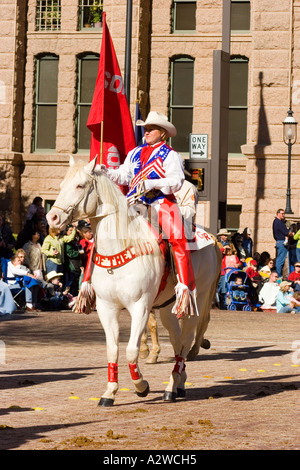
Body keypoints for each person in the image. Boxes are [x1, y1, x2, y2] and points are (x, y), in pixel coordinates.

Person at [104, 111, 197, 318]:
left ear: (162, 133)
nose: (146, 132)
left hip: (160, 202)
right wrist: (106, 171)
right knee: (103, 230)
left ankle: (184, 288)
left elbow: (177, 181)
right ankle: (90, 286)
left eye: (151, 129)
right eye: (145, 128)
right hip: (134, 201)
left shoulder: (171, 155)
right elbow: (123, 175)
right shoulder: (135, 153)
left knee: (179, 238)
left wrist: (152, 183)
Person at [272, 209, 293, 278]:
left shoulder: (277, 222)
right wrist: (292, 233)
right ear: (278, 214)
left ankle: (280, 274)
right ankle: (279, 275)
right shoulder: (278, 222)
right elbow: (287, 232)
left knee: (281, 259)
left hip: (279, 241)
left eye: (284, 214)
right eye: (282, 213)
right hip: (281, 242)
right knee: (280, 260)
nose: (283, 215)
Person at [63, 224, 83, 297]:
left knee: (75, 283)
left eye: (73, 230)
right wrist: (79, 253)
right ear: (66, 232)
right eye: (70, 230)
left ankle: (74, 297)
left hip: (77, 265)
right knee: (69, 284)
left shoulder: (75, 241)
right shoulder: (67, 242)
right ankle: (67, 298)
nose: (72, 232)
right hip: (71, 266)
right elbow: (70, 253)